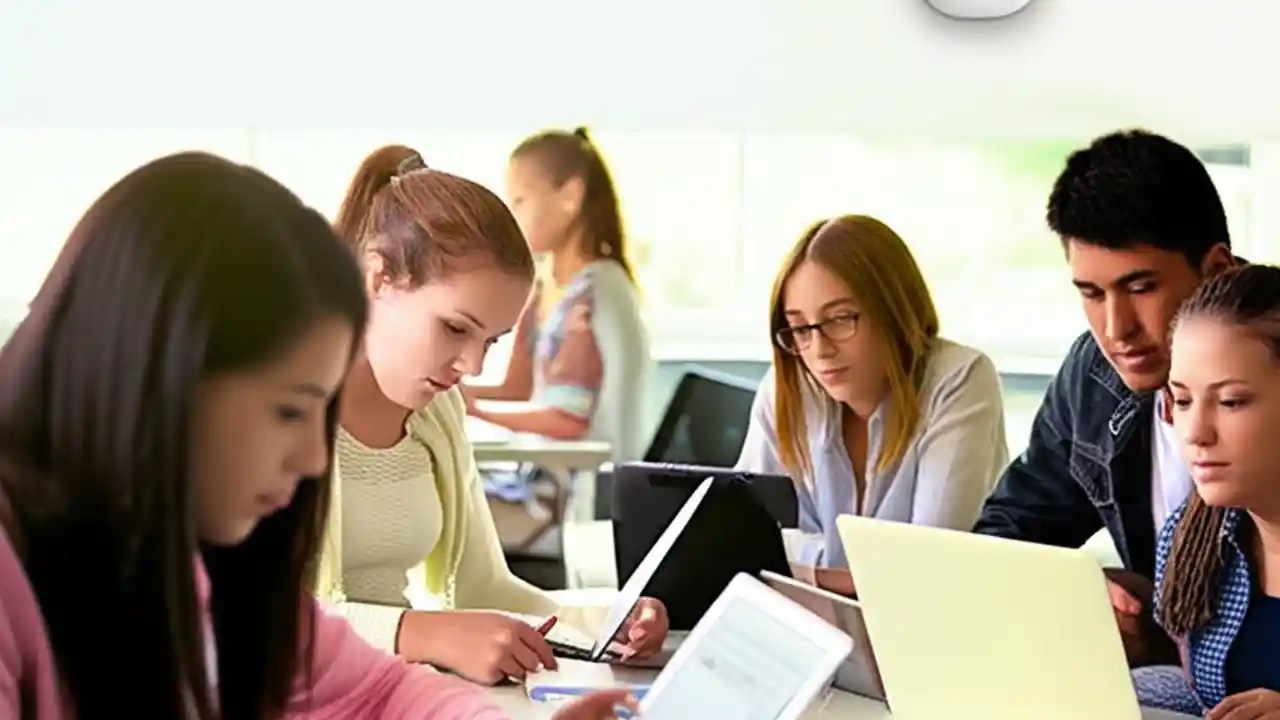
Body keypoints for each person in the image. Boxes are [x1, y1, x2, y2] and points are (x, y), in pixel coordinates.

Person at [0, 152, 634, 718]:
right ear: (164, 375)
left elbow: (380, 690)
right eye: (288, 412)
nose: (312, 458)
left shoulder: (186, 561)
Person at [322, 144, 666, 686]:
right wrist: (427, 634)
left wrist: (605, 620)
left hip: (388, 690)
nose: (473, 366)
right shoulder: (268, 409)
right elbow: (236, 615)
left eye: (492, 341)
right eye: (455, 328)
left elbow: (482, 588)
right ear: (377, 278)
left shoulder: (436, 413)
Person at [972, 129, 1237, 667]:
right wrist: (1083, 598)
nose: (1117, 330)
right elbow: (1007, 536)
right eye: (1092, 294)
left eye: (1140, 288)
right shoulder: (1093, 376)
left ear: (1215, 271)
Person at [736, 215, 1008, 594]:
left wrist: (802, 569)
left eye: (840, 319)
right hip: (809, 620)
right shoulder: (790, 385)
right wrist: (839, 580)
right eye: (800, 328)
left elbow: (932, 564)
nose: (819, 349)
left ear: (894, 310)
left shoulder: (959, 379)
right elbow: (740, 535)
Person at [1132, 265, 1280, 718]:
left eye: (1231, 401)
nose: (1195, 432)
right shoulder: (1194, 539)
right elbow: (1203, 699)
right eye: (1182, 400)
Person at [463, 127, 650, 462]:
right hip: (546, 472)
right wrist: (448, 394)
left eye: (520, 201)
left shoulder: (595, 291)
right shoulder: (543, 286)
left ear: (570, 197)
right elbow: (518, 390)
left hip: (588, 482)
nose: (510, 216)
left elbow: (569, 418)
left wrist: (474, 409)